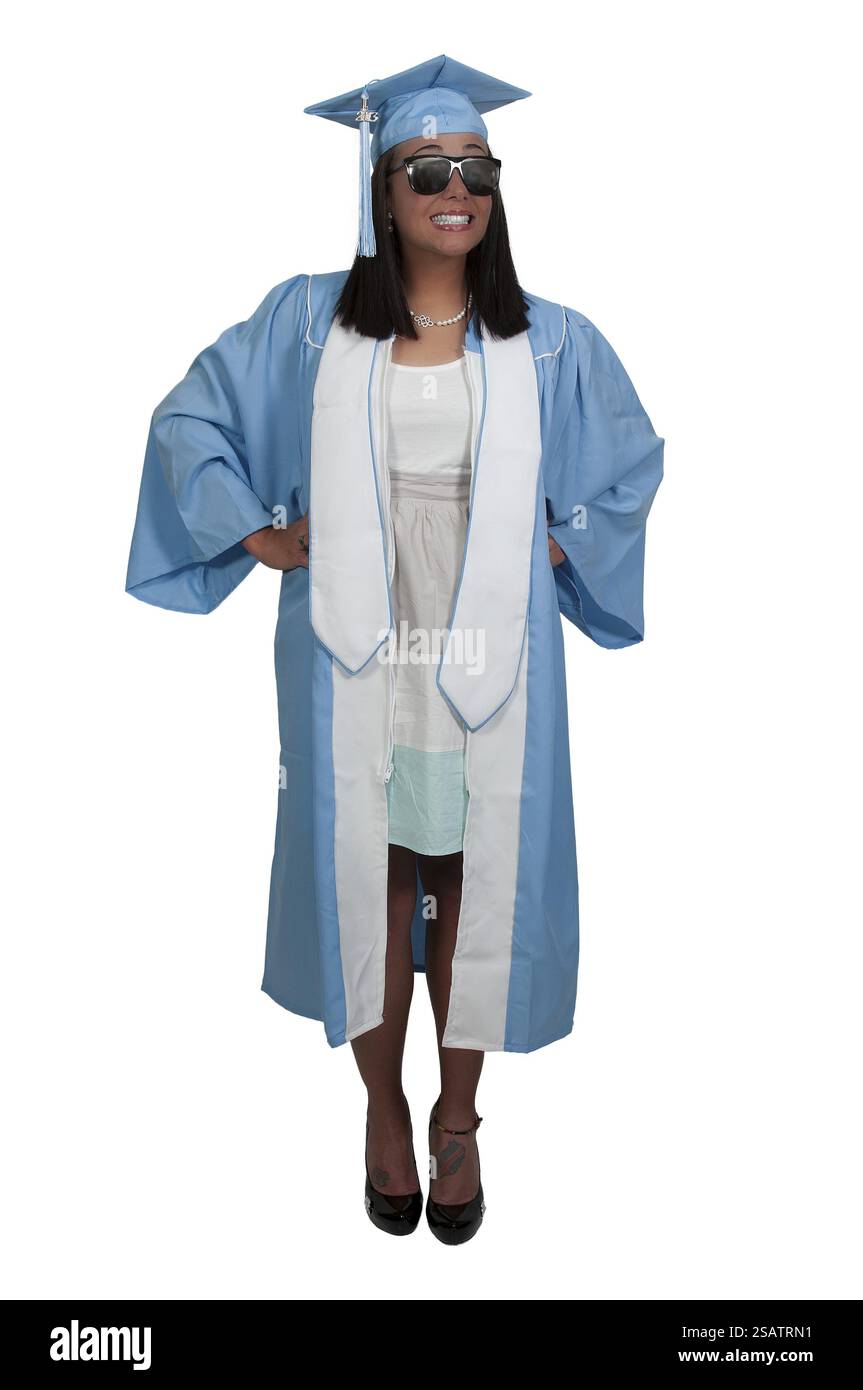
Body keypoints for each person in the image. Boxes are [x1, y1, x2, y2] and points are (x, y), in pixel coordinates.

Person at [125, 54, 665, 1244]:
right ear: (382, 189)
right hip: (355, 633)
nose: (453, 189)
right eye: (426, 170)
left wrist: (560, 546)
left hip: (490, 630)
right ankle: (381, 1110)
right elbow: (190, 419)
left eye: (474, 169)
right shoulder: (305, 323)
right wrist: (260, 536)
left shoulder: (550, 340)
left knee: (474, 865)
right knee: (367, 862)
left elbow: (627, 465)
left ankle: (456, 1119)